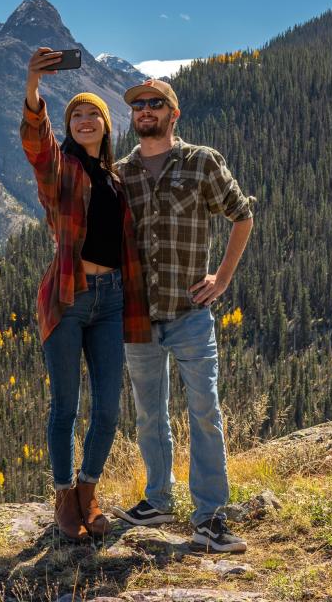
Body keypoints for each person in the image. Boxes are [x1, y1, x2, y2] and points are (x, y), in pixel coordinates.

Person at [114, 78, 254, 553]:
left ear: (173, 115)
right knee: (149, 416)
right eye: (139, 106)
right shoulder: (121, 173)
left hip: (189, 313)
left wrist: (222, 278)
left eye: (156, 104)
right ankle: (157, 500)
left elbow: (242, 215)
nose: (146, 111)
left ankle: (210, 517)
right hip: (137, 317)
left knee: (205, 413)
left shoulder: (201, 163)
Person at [21, 47, 152, 542]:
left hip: (112, 298)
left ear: (105, 125)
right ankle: (62, 496)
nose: (83, 120)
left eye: (92, 113)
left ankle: (88, 489)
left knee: (108, 409)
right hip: (70, 297)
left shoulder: (116, 178)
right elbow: (37, 144)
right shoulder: (61, 170)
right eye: (76, 114)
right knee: (64, 407)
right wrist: (34, 86)